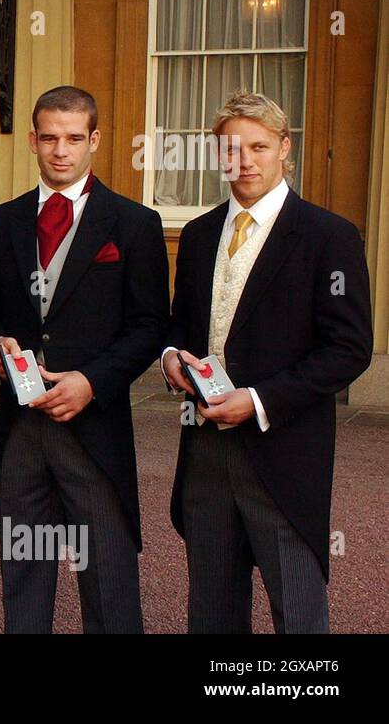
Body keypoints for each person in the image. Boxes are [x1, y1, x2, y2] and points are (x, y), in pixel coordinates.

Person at [162, 90, 372, 633]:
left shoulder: (329, 236)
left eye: (259, 146)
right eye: (233, 148)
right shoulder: (200, 233)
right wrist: (169, 357)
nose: (245, 160)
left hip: (284, 452)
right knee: (211, 611)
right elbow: (181, 326)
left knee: (297, 611)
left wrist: (257, 400)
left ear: (285, 149)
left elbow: (348, 348)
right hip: (205, 454)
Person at [0, 85, 169, 633]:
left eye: (74, 138)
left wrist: (92, 381)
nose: (61, 150)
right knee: (24, 590)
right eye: (50, 138)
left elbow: (151, 326)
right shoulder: (2, 220)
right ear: (33, 140)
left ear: (95, 140)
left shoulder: (134, 224)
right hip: (20, 434)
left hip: (96, 433)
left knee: (109, 589)